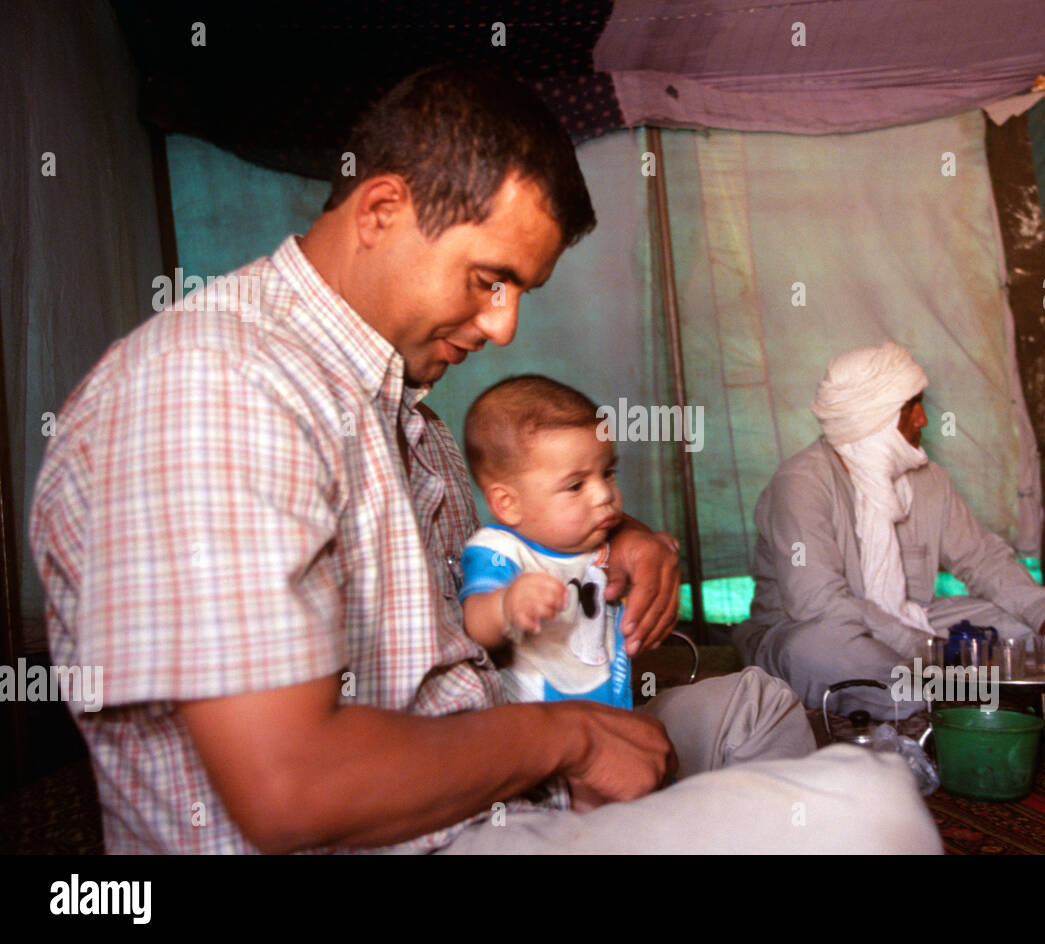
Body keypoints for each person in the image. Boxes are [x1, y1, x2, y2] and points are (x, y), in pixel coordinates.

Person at [29, 65, 942, 853]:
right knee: (874, 809)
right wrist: (564, 740)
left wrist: (621, 532)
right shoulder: (216, 389)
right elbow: (288, 788)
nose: (504, 325)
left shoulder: (393, 411)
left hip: (491, 785)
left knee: (751, 703)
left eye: (520, 292)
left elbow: (485, 588)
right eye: (488, 279)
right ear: (383, 208)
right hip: (423, 835)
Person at [732, 342, 1045, 719]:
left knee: (1028, 626)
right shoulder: (801, 483)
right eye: (910, 407)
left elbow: (981, 558)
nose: (922, 419)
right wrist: (926, 648)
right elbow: (816, 604)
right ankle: (953, 702)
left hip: (912, 622)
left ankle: (1015, 696)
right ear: (875, 417)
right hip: (810, 632)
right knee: (822, 650)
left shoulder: (928, 479)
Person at [459, 375, 631, 708]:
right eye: (575, 486)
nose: (604, 493)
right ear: (509, 504)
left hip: (610, 698)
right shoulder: (500, 550)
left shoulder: (602, 543)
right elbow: (473, 624)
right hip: (539, 714)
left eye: (608, 472)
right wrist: (505, 605)